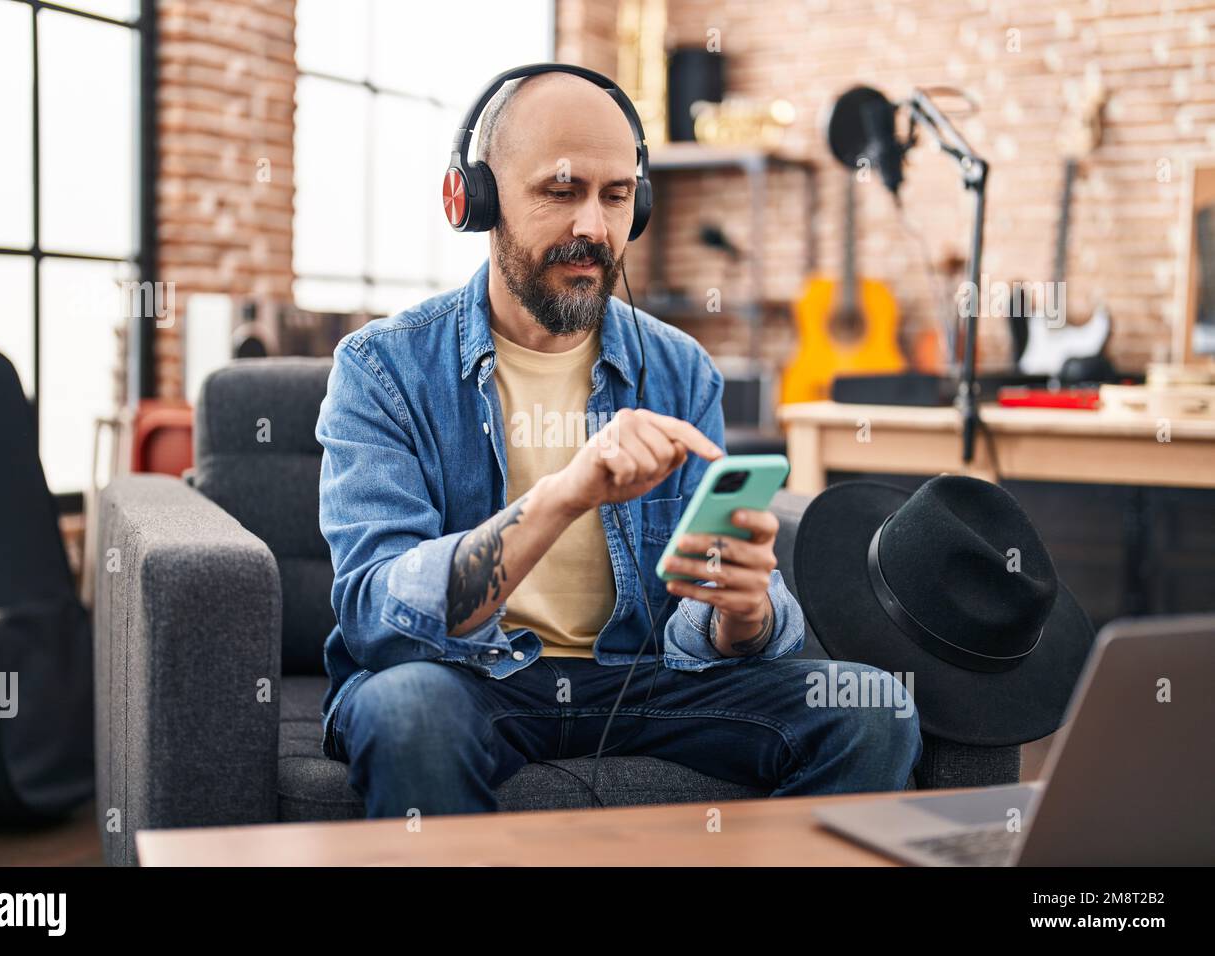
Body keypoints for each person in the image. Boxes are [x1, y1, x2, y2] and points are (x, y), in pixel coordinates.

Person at [315, 67, 922, 818]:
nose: (594, 230)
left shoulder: (678, 368)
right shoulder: (384, 369)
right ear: (474, 198)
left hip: (640, 676)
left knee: (871, 708)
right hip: (467, 678)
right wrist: (566, 492)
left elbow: (699, 619)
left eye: (617, 195)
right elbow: (378, 612)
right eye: (561, 192)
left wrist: (743, 619)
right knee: (406, 712)